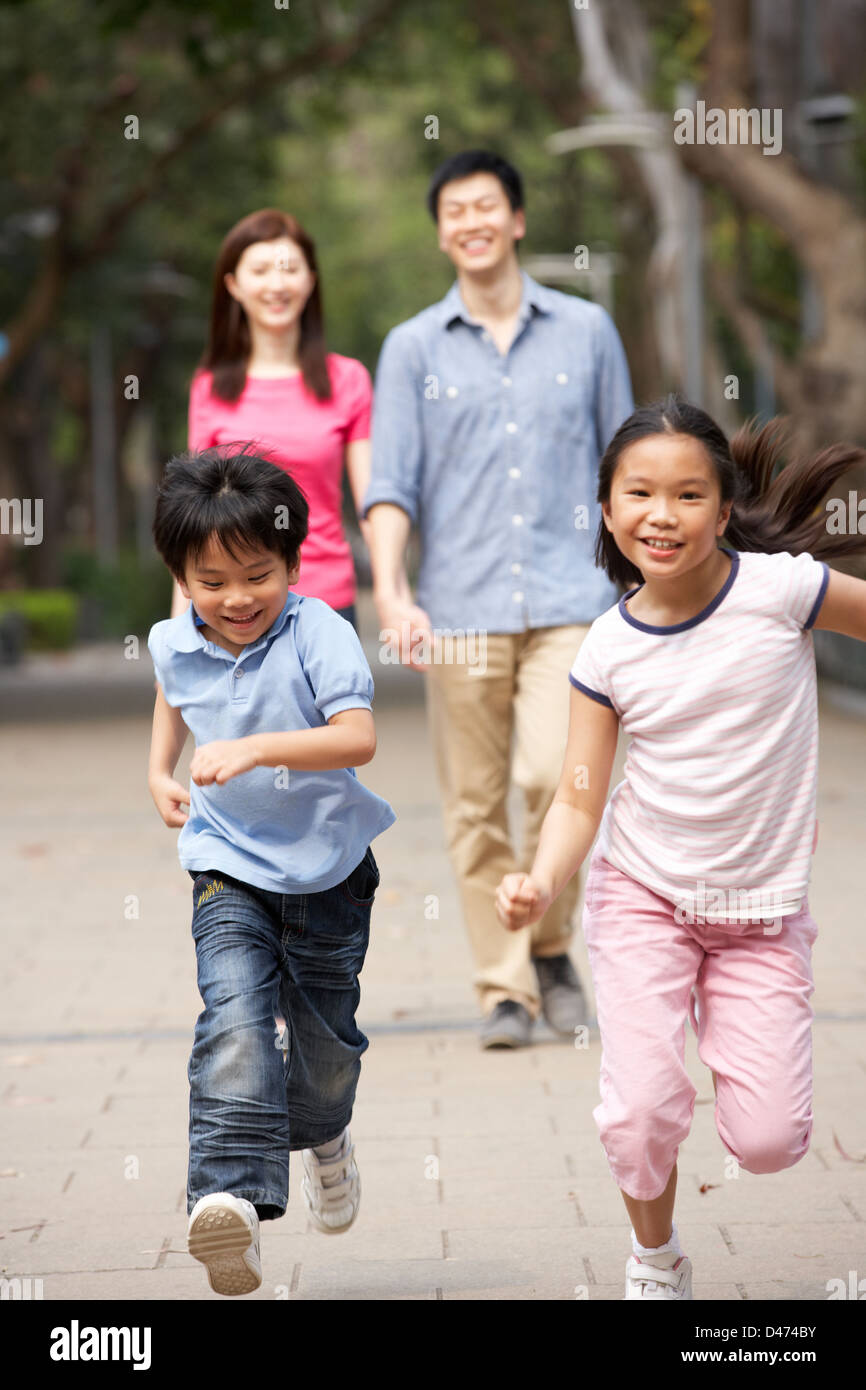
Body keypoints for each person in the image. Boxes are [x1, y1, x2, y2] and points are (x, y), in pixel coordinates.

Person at [495, 395, 866, 1299]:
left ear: (724, 508)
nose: (662, 515)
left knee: (771, 1144)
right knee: (640, 1110)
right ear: (609, 509)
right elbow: (580, 796)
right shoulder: (607, 648)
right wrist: (543, 878)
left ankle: (724, 1045)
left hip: (760, 912)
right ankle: (656, 1262)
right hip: (643, 896)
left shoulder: (781, 592)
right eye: (640, 495)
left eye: (688, 495)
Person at [362, 150, 633, 1048]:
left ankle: (550, 947)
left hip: (572, 598)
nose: (472, 221)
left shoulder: (588, 330)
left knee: (556, 776)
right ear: (441, 231)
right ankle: (506, 989)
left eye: (487, 205)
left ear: (516, 220)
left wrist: (642, 589)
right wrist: (393, 592)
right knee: (474, 802)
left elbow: (624, 469)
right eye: (454, 210)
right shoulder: (410, 349)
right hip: (460, 608)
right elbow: (392, 483)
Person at [147, 444, 395, 1296]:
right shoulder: (177, 637)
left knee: (324, 1064)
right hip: (227, 867)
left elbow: (356, 737)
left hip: (327, 875)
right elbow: (172, 691)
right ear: (182, 579)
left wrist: (254, 749)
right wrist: (158, 770)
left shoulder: (319, 632)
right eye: (211, 583)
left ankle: (326, 1140)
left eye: (256, 575)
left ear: (292, 562)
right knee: (235, 1020)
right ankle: (231, 1203)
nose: (235, 599)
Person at [170, 208, 372, 632]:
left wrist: (392, 590)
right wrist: (177, 635)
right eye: (260, 270)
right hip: (233, 609)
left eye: (289, 269)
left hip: (326, 606)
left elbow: (372, 503)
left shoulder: (348, 380)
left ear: (311, 279)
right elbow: (194, 513)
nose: (277, 284)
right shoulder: (209, 387)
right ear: (234, 285)